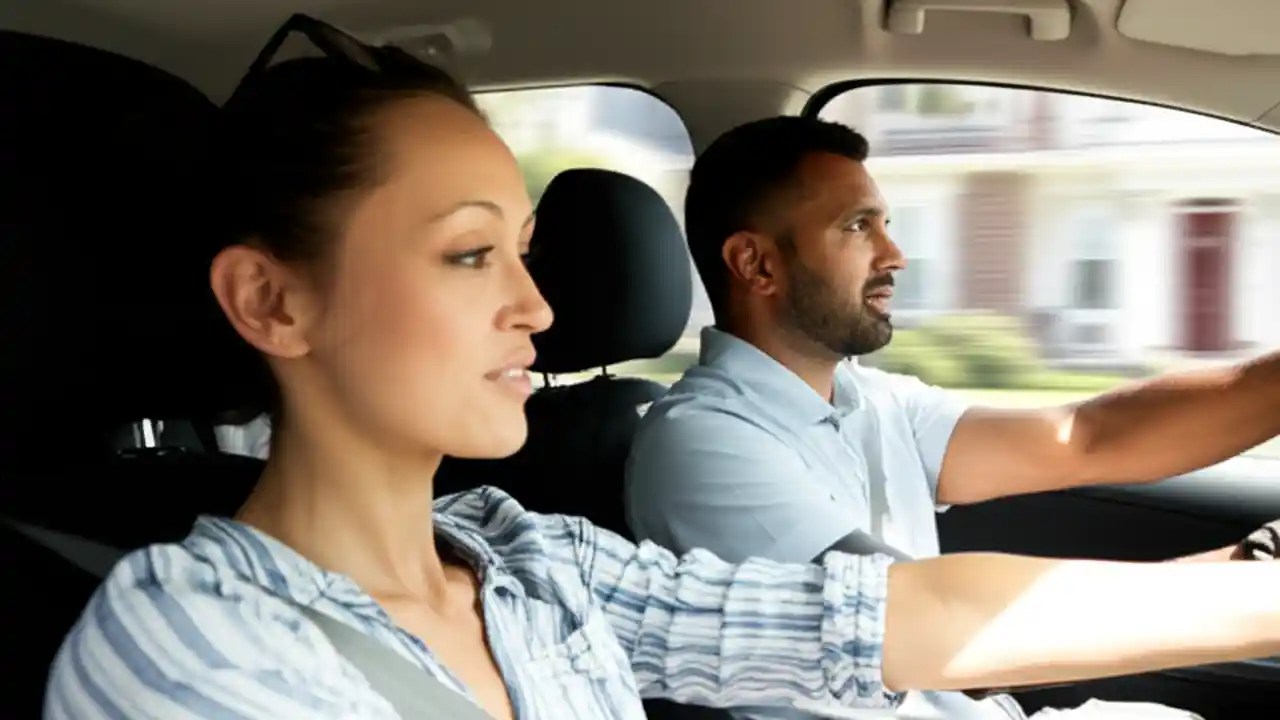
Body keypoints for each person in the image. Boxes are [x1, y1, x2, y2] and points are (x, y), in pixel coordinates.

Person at [44, 22, 1280, 720]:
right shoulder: (178, 643)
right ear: (274, 301)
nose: (534, 305)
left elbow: (884, 621)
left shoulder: (536, 562)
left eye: (523, 254)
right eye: (471, 255)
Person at [624, 115, 1280, 719]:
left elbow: (1085, 438)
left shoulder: (870, 400)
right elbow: (935, 627)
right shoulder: (701, 445)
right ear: (755, 263)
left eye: (885, 224)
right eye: (858, 227)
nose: (895, 255)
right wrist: (1248, 575)